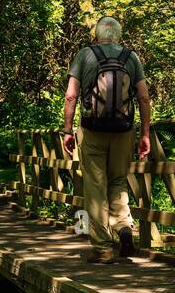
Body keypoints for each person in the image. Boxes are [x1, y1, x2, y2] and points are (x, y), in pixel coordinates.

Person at [62, 16, 151, 263]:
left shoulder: (85, 55)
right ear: (118, 35)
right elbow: (143, 98)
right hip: (123, 131)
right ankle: (123, 228)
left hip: (92, 130)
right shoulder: (131, 58)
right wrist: (144, 133)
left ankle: (102, 248)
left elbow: (71, 96)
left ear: (97, 35)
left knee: (95, 187)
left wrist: (68, 131)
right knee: (118, 181)